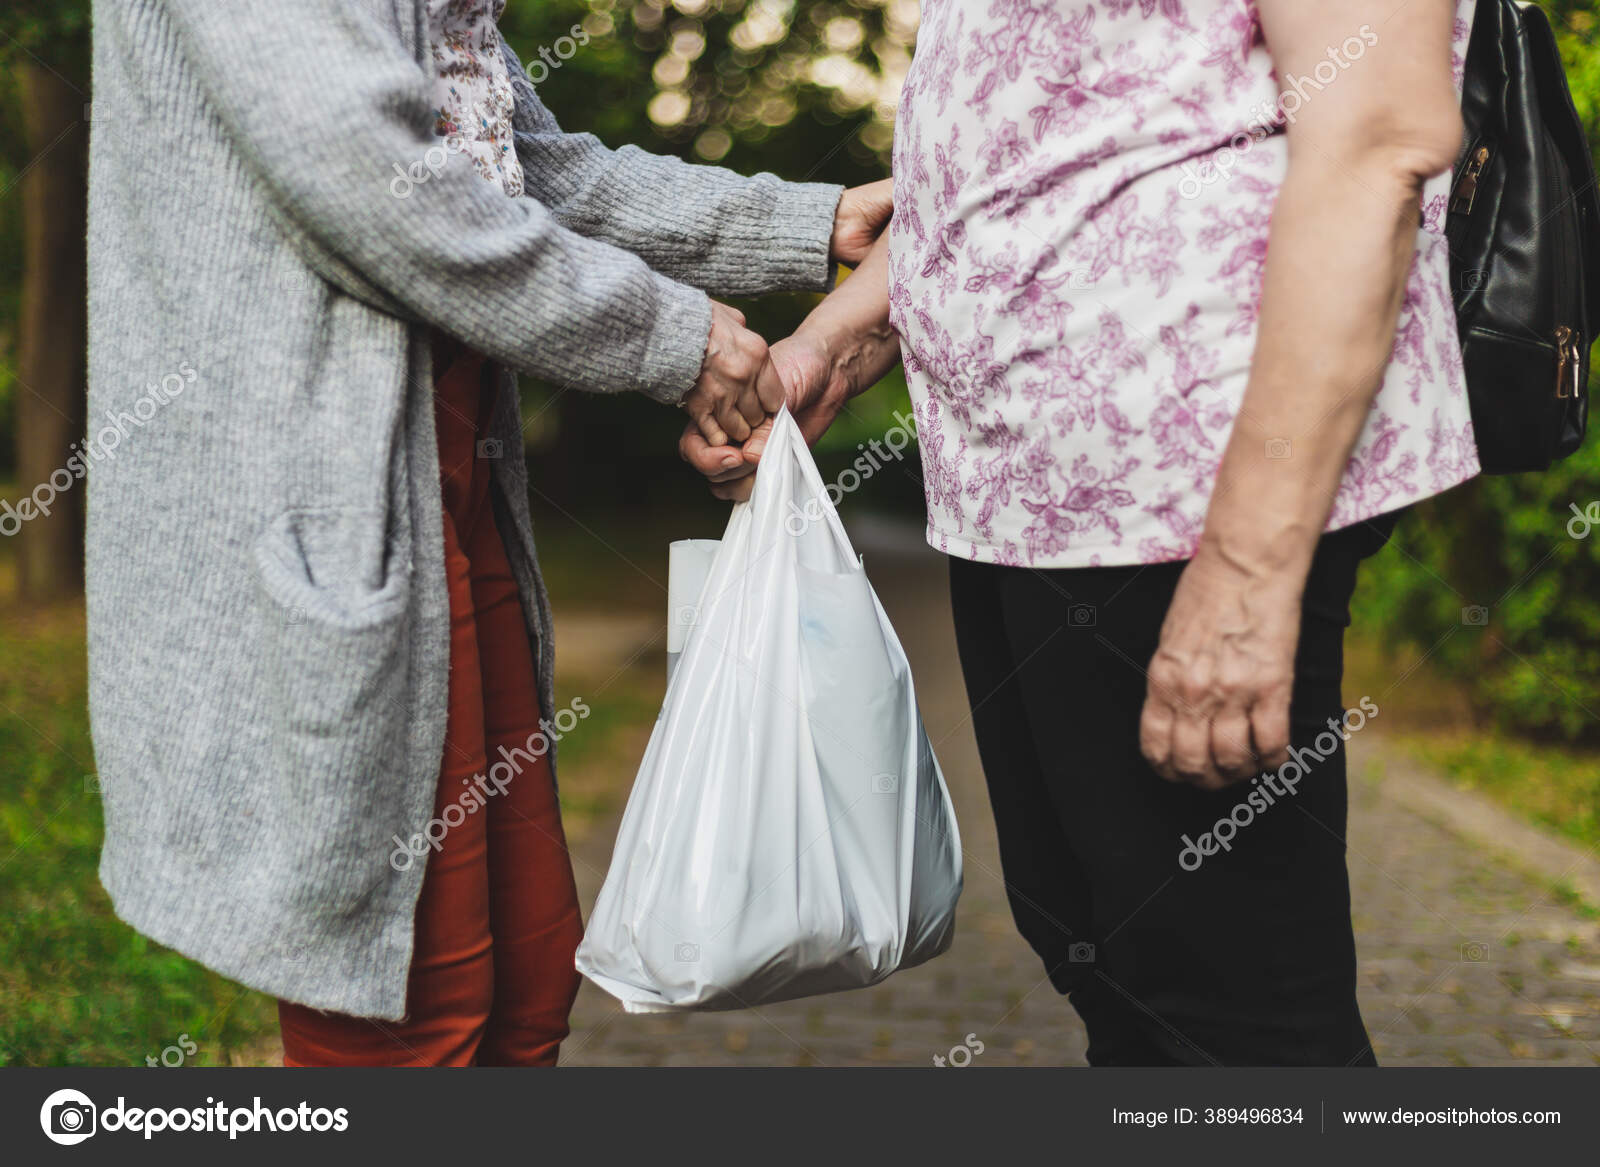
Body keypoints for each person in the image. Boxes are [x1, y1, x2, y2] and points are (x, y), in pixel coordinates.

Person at [85, 0, 890, 1066]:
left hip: (456, 474)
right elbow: (364, 172)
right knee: (410, 1009)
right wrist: (670, 337)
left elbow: (526, 170)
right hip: (332, 491)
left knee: (525, 979)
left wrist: (807, 223)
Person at [686, 0, 1477, 1065]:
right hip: (1018, 493)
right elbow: (1038, 141)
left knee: (1225, 1007)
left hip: (1188, 493)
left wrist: (1245, 571)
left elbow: (1378, 136)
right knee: (1104, 952)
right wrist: (836, 334)